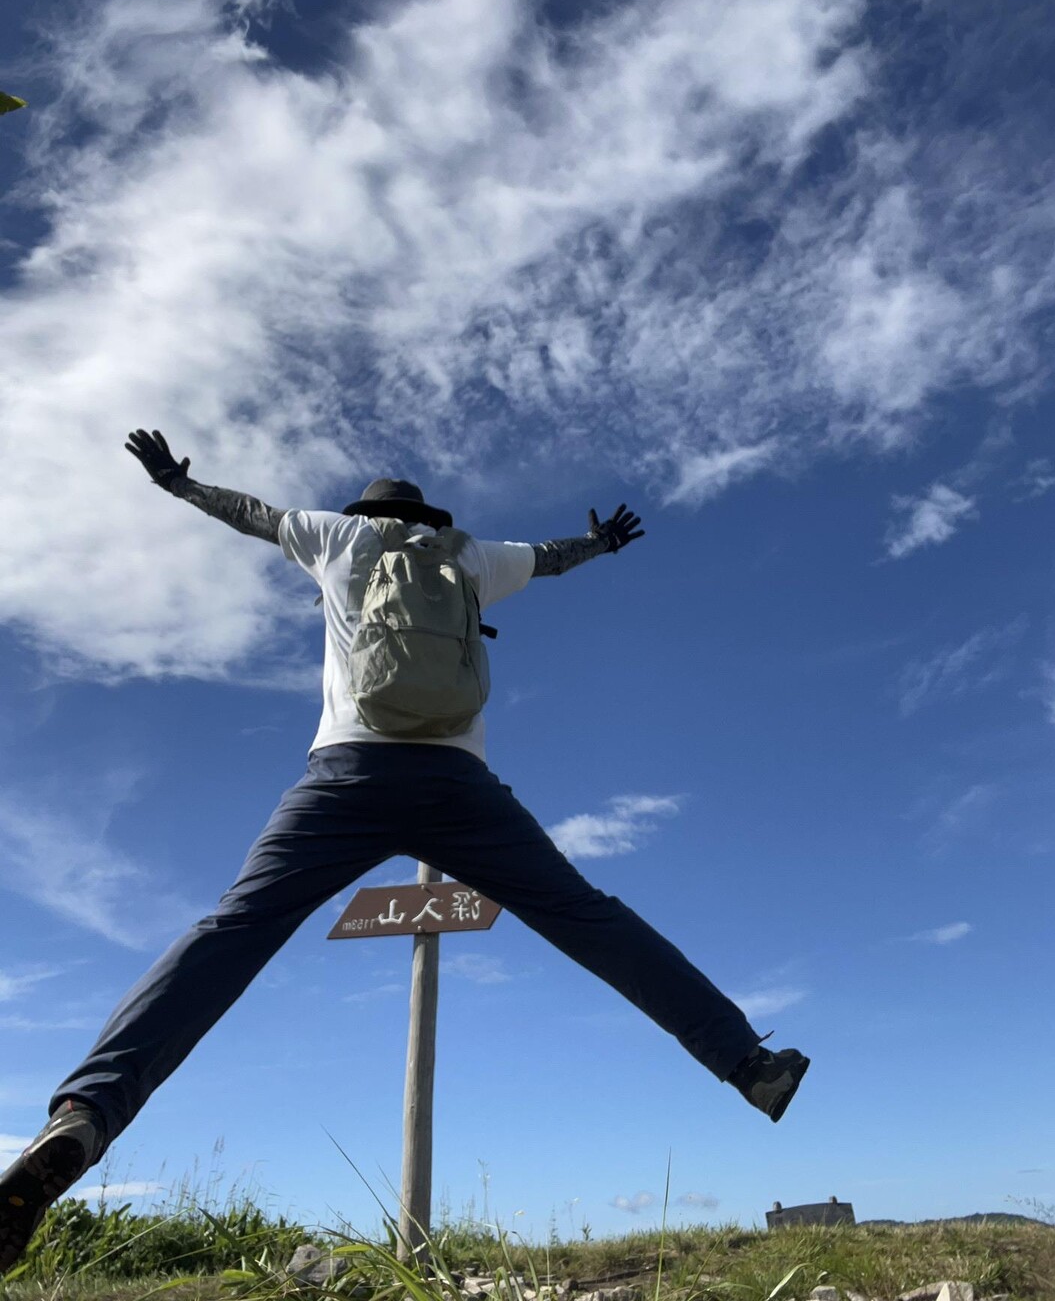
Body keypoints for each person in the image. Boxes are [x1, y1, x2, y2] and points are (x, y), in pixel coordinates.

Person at [0, 429, 809, 1276]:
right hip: (460, 784)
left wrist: (175, 483)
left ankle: (84, 1117)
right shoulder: (468, 555)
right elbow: (553, 558)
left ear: (366, 512)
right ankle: (746, 1063)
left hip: (344, 776)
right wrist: (601, 543)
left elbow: (250, 514)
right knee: (586, 917)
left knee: (232, 930)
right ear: (424, 515)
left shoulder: (333, 537)